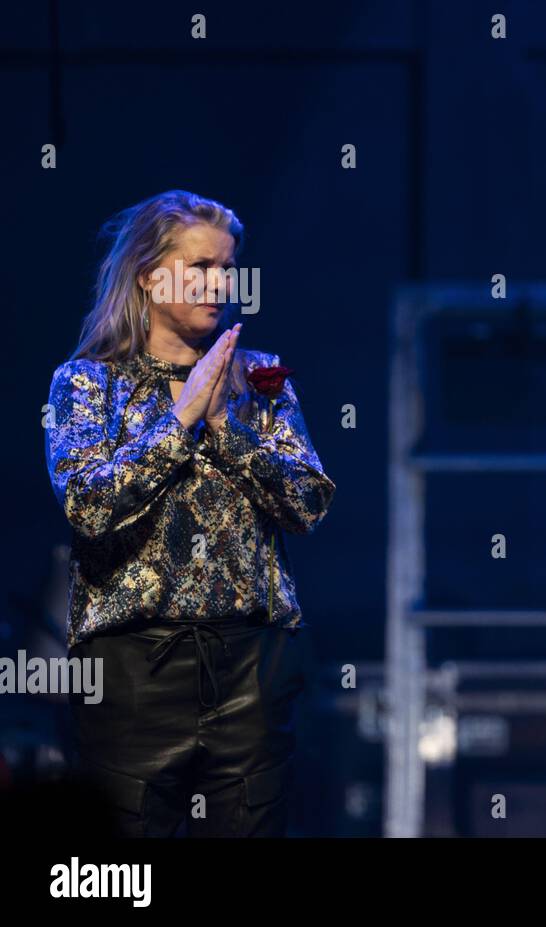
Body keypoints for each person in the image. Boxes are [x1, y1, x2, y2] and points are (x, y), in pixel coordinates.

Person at [44, 190, 335, 836]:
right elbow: (86, 503)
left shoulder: (260, 380)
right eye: (201, 266)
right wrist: (180, 420)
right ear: (149, 274)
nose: (220, 283)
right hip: (133, 677)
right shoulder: (89, 384)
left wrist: (225, 426)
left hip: (250, 669)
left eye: (228, 268)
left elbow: (309, 501)